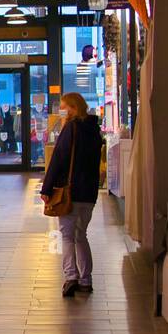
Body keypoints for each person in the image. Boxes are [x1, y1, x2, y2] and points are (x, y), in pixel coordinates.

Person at [40, 91, 103, 297]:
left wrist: (47, 188)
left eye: (65, 106)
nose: (62, 110)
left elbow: (59, 159)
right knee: (81, 235)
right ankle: (86, 280)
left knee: (67, 236)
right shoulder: (95, 130)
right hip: (89, 193)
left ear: (73, 108)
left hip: (71, 191)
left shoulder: (71, 128)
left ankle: (71, 278)